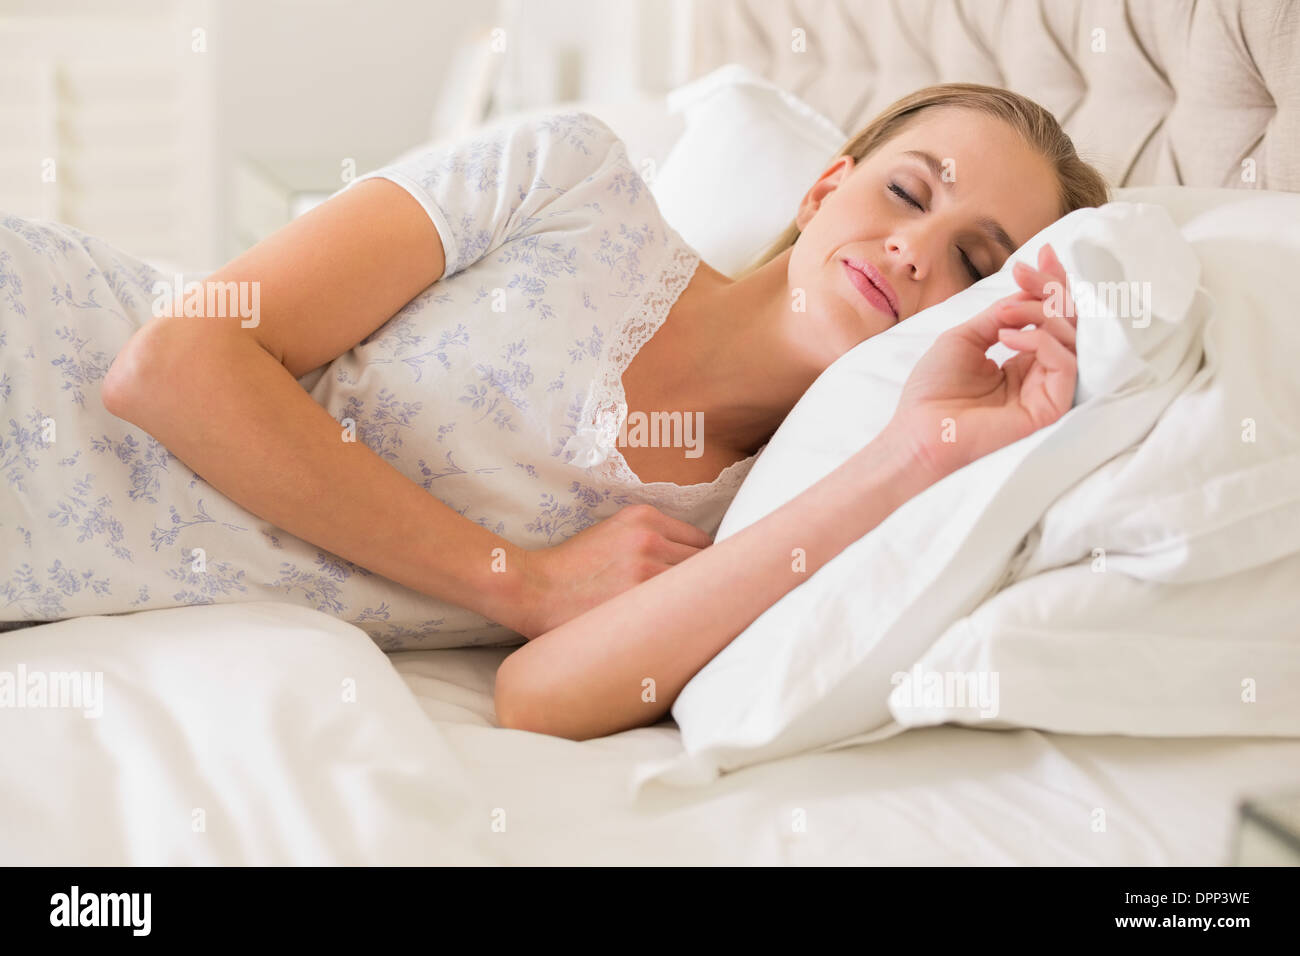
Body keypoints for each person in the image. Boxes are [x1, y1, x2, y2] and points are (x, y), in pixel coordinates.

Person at [3, 84, 1107, 725]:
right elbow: (173, 360)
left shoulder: (754, 517)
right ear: (826, 185)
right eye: (905, 191)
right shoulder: (573, 181)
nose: (913, 251)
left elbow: (539, 697)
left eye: (974, 262)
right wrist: (518, 578)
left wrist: (920, 450)